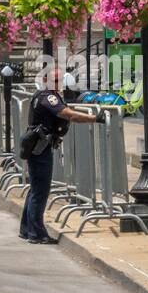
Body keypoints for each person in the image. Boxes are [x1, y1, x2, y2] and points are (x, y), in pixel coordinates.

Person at [20, 77, 103, 244]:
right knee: (40, 190)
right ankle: (36, 234)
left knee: (35, 189)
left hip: (37, 146)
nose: (58, 83)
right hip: (40, 148)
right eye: (55, 79)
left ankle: (27, 229)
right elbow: (68, 115)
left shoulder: (41, 95)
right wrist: (94, 118)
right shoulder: (48, 97)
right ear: (45, 80)